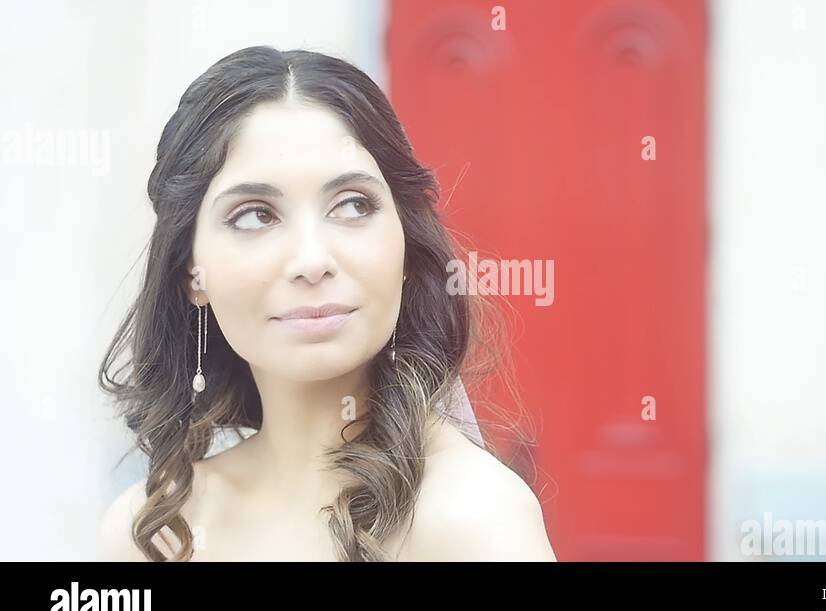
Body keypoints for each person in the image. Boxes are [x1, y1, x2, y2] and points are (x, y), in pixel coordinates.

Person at [97, 45, 556, 562]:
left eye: (353, 205)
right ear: (191, 273)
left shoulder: (471, 518)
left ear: (406, 247)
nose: (312, 261)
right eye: (255, 215)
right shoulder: (155, 529)